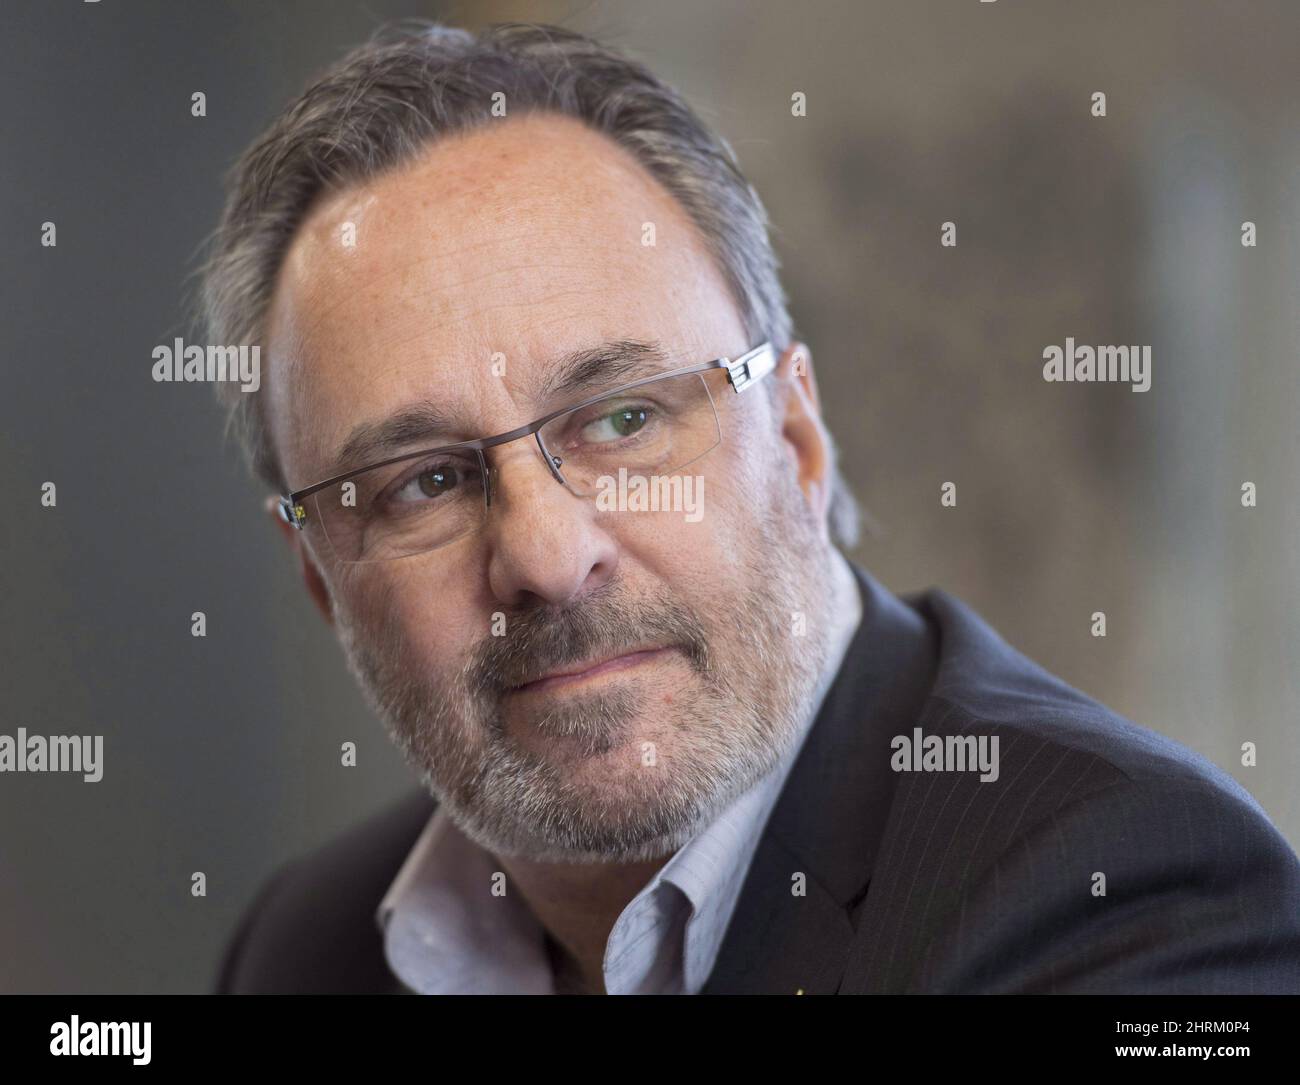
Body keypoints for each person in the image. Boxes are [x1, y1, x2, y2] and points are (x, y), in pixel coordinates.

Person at [204, 22, 1300, 994]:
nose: (544, 554)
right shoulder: (303, 948)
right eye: (423, 481)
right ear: (320, 580)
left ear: (796, 434)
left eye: (622, 417)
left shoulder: (1129, 895)